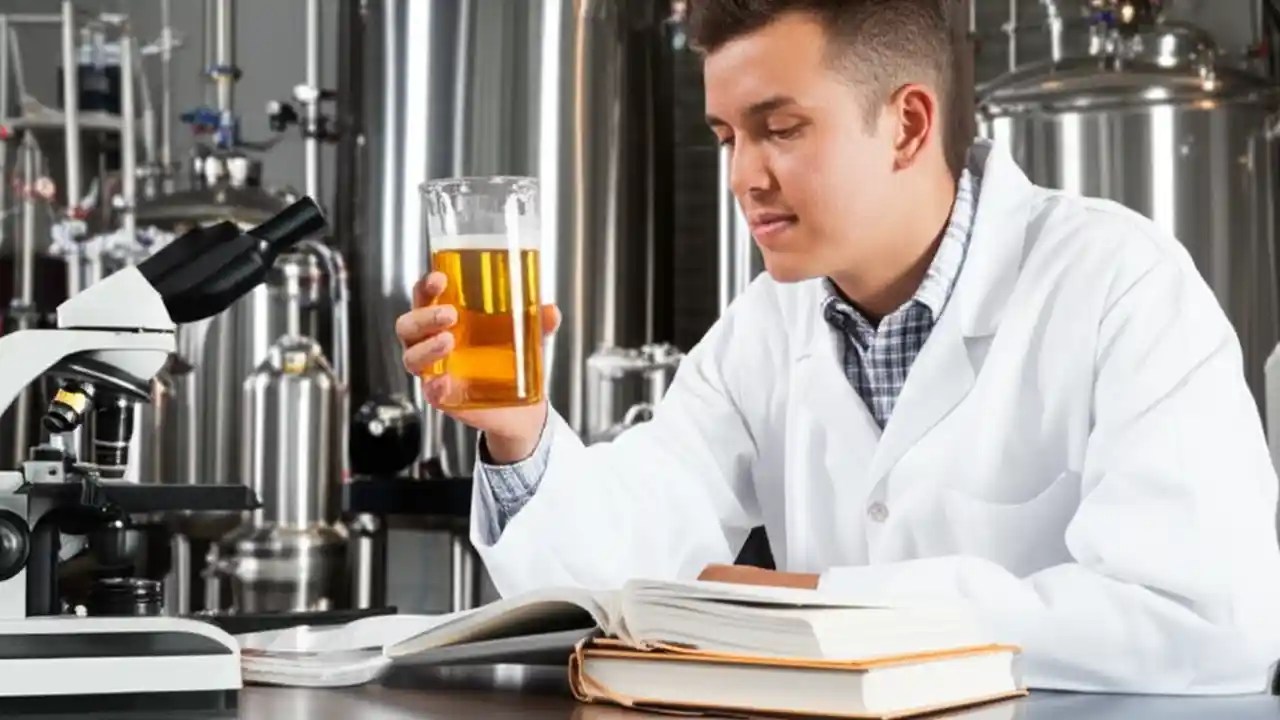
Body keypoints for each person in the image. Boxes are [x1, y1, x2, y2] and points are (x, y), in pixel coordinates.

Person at [396, 0, 1280, 694]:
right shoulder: (766, 326)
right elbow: (615, 568)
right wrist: (518, 433)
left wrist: (818, 603)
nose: (743, 175)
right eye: (726, 136)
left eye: (780, 128)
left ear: (907, 125)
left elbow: (1205, 627)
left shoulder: (1119, 283)